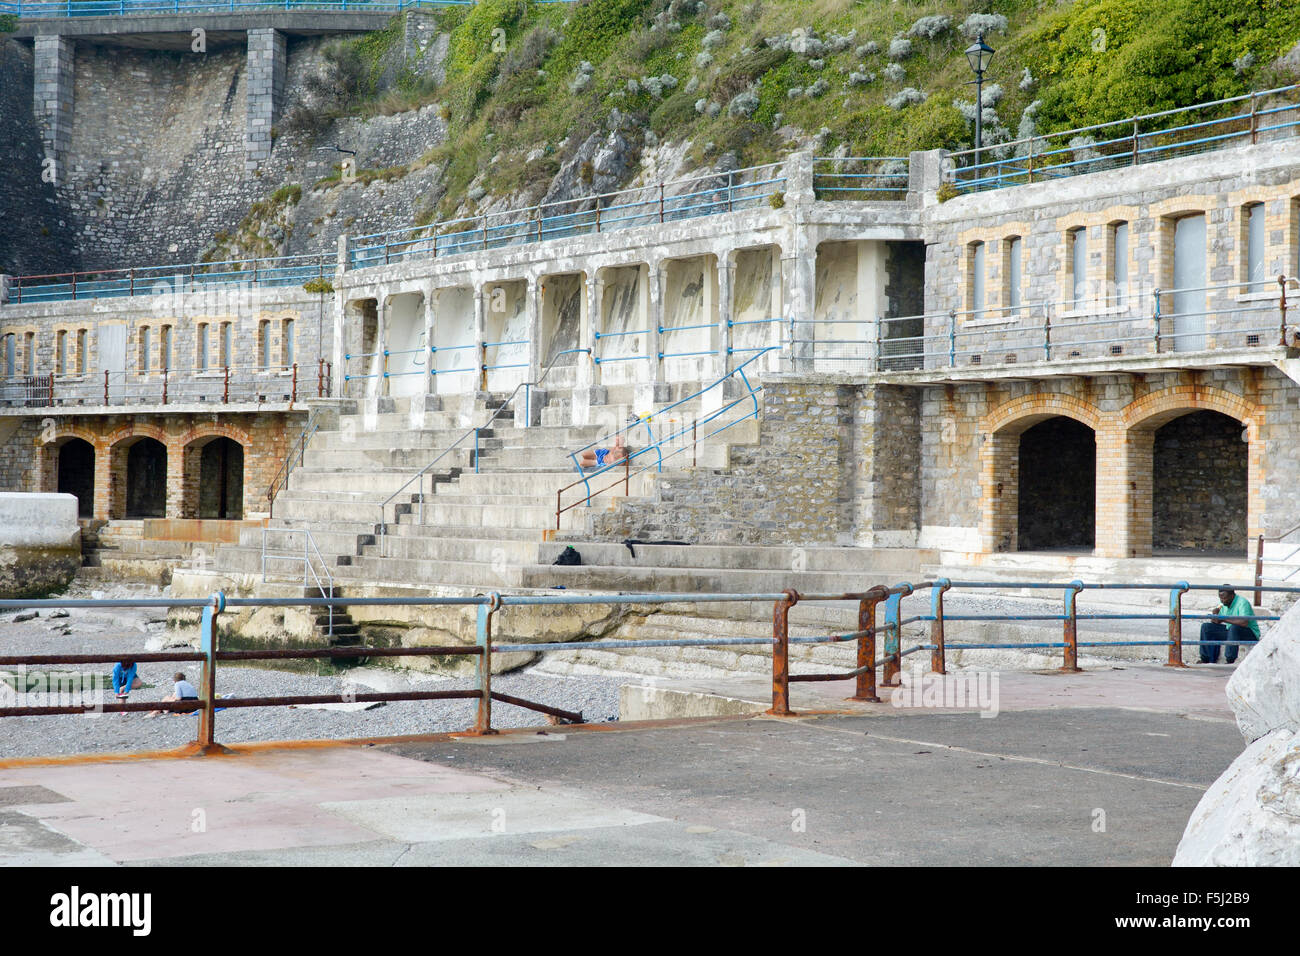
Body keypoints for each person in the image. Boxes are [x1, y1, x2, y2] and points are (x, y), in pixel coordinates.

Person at [1199, 586, 1260, 664]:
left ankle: (1230, 659)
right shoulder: (1223, 604)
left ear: (1232, 596)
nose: (1223, 601)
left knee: (1234, 628)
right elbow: (1217, 622)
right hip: (1232, 632)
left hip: (1249, 633)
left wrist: (1223, 619)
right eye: (1221, 598)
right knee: (1206, 627)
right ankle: (1205, 658)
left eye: (1225, 598)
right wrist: (1215, 616)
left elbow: (1244, 622)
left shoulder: (1242, 602)